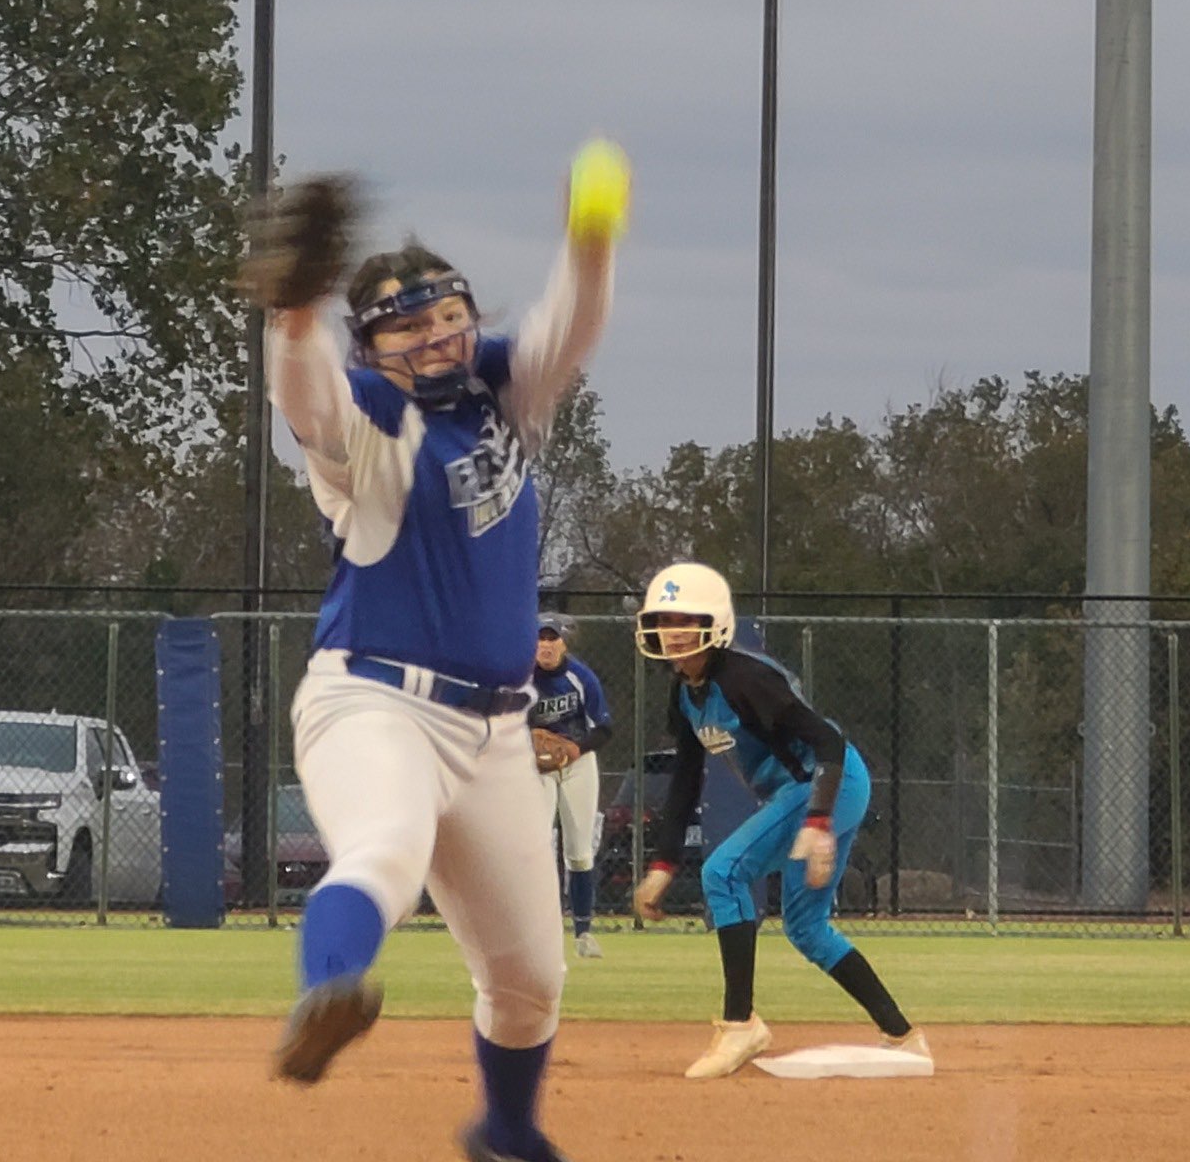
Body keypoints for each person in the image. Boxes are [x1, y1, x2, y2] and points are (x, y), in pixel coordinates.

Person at [261, 145, 628, 1162]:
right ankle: (330, 988)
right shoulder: (371, 424)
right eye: (403, 324)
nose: (432, 335)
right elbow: (306, 397)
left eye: (444, 314)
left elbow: (571, 322)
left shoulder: (505, 394)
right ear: (369, 346)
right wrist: (292, 314)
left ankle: (505, 1131)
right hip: (375, 701)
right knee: (383, 849)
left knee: (530, 981)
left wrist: (591, 238)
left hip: (500, 728)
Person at [631, 561, 928, 1080]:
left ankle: (739, 1023)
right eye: (663, 620)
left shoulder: (745, 677)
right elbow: (684, 782)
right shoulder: (684, 695)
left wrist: (817, 822)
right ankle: (904, 1036)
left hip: (828, 780)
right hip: (810, 791)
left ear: (715, 622)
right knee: (808, 929)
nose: (672, 632)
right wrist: (662, 861)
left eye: (684, 619)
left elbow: (829, 742)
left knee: (723, 872)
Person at [528, 614, 613, 958]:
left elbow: (604, 728)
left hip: (578, 764)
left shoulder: (580, 677)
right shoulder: (520, 678)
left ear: (564, 643)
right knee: (537, 848)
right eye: (541, 638)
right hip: (535, 768)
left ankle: (583, 933)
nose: (546, 645)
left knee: (579, 852)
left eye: (553, 639)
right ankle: (540, 931)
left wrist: (576, 749)